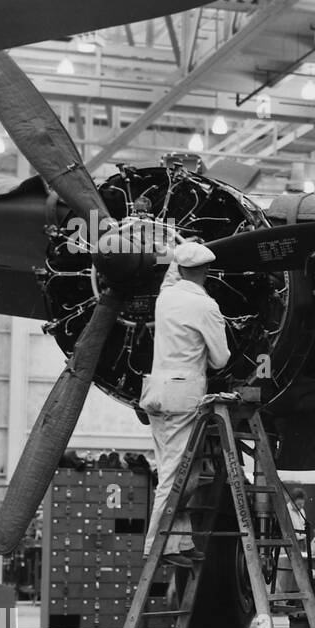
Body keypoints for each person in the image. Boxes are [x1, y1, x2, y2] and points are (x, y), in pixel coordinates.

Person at [140, 241, 231, 568]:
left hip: (157, 393)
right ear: (206, 271)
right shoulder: (205, 306)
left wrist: (173, 243)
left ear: (178, 268)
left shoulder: (165, 297)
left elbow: (169, 277)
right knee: (174, 477)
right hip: (183, 398)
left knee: (185, 475)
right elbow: (220, 360)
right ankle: (155, 545)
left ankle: (180, 541)